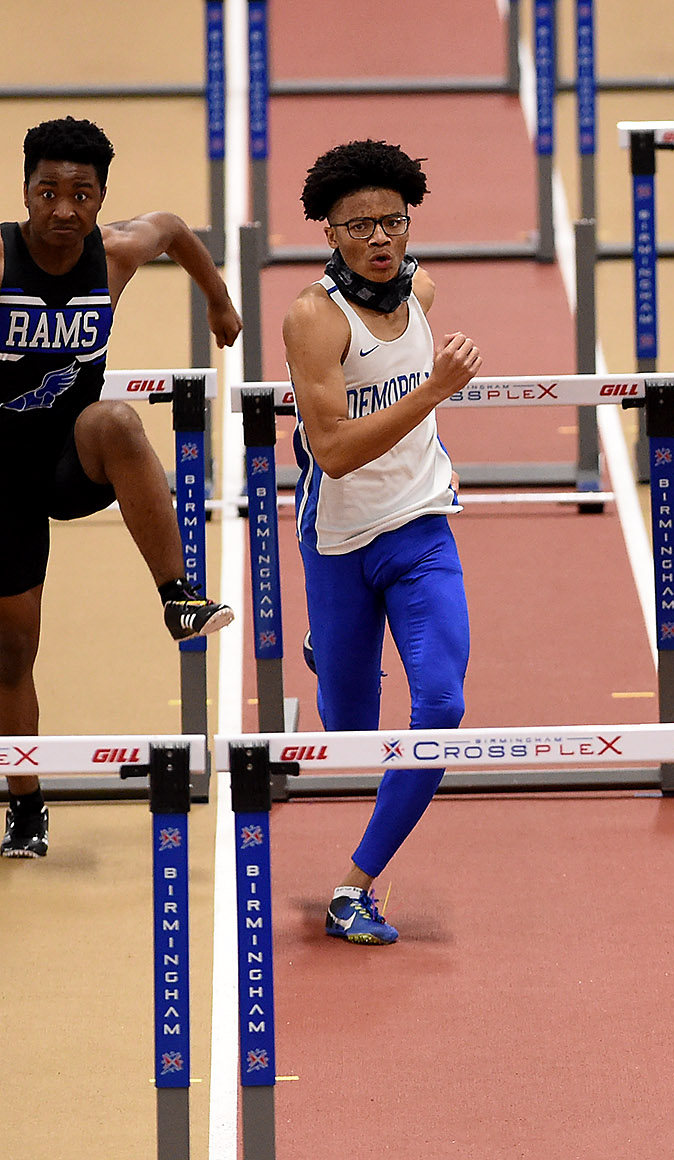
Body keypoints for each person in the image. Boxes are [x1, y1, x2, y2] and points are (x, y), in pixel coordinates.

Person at [1, 117, 241, 860]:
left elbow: (172, 228)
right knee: (12, 654)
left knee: (118, 420)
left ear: (101, 198)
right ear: (25, 192)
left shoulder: (114, 255)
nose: (64, 208)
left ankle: (178, 598)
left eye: (82, 194)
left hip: (70, 461)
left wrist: (219, 300)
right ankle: (26, 807)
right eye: (49, 192)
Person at [282, 140, 481, 945]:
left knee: (441, 706)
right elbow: (331, 451)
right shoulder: (313, 318)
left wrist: (432, 421)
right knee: (352, 737)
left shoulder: (420, 291)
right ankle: (329, 649)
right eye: (358, 226)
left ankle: (353, 887)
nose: (379, 239)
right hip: (339, 539)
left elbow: (406, 389)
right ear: (329, 233)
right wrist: (434, 391)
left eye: (391, 222)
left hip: (421, 530)